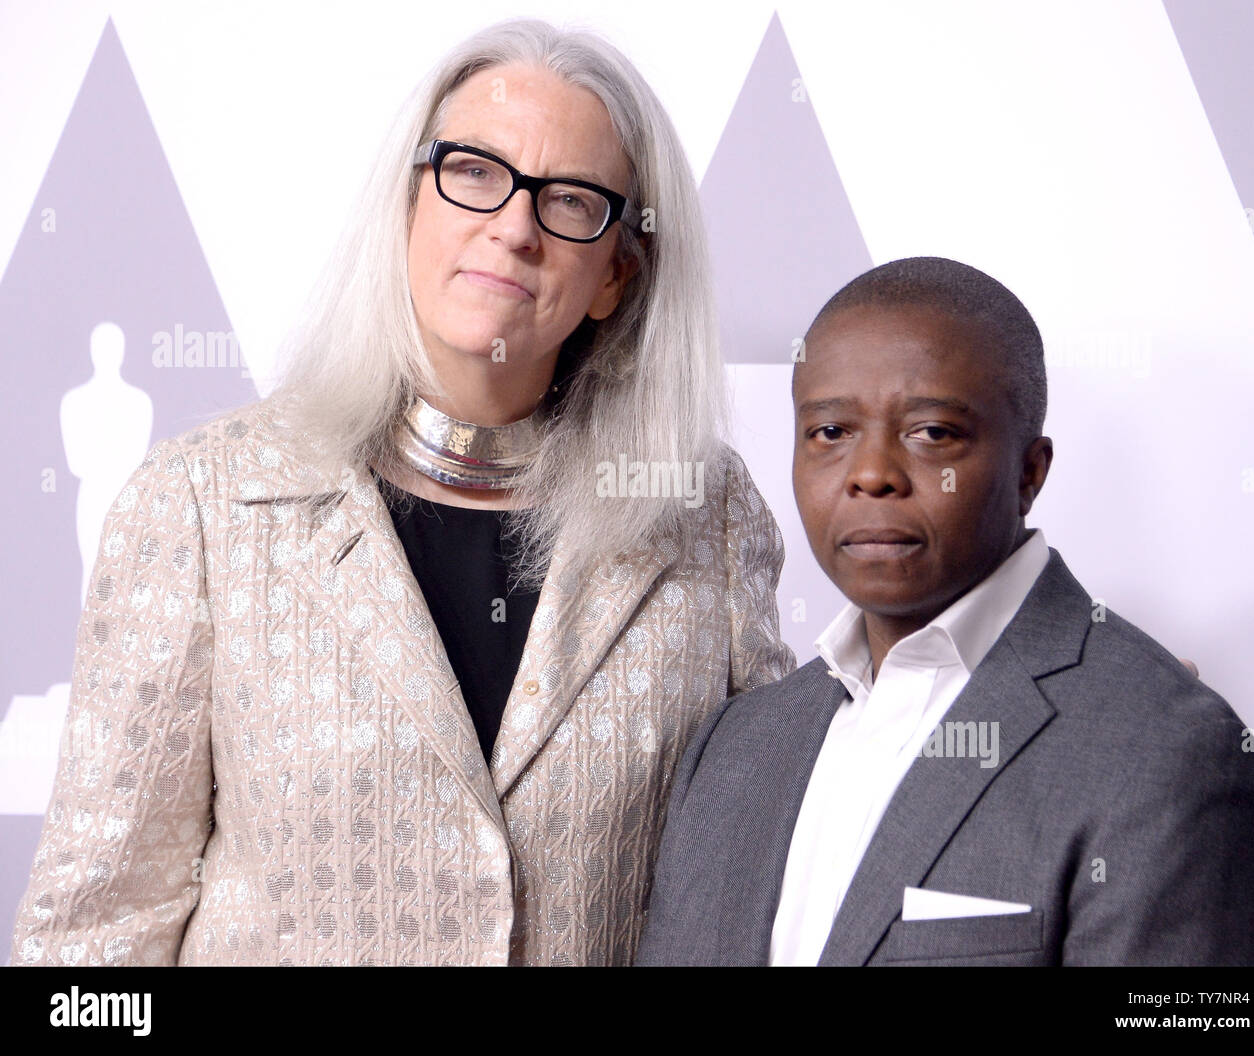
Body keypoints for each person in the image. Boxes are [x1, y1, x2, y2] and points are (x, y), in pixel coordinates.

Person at [10, 18, 795, 967]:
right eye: (474, 171)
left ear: (615, 276)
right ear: (410, 201)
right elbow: (91, 941)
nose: (512, 226)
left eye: (573, 200)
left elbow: (760, 891)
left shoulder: (703, 516)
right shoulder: (203, 503)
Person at [636, 256, 1254, 966]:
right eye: (830, 432)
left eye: (933, 433)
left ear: (1030, 471)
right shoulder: (733, 748)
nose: (871, 474)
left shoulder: (1171, 757)